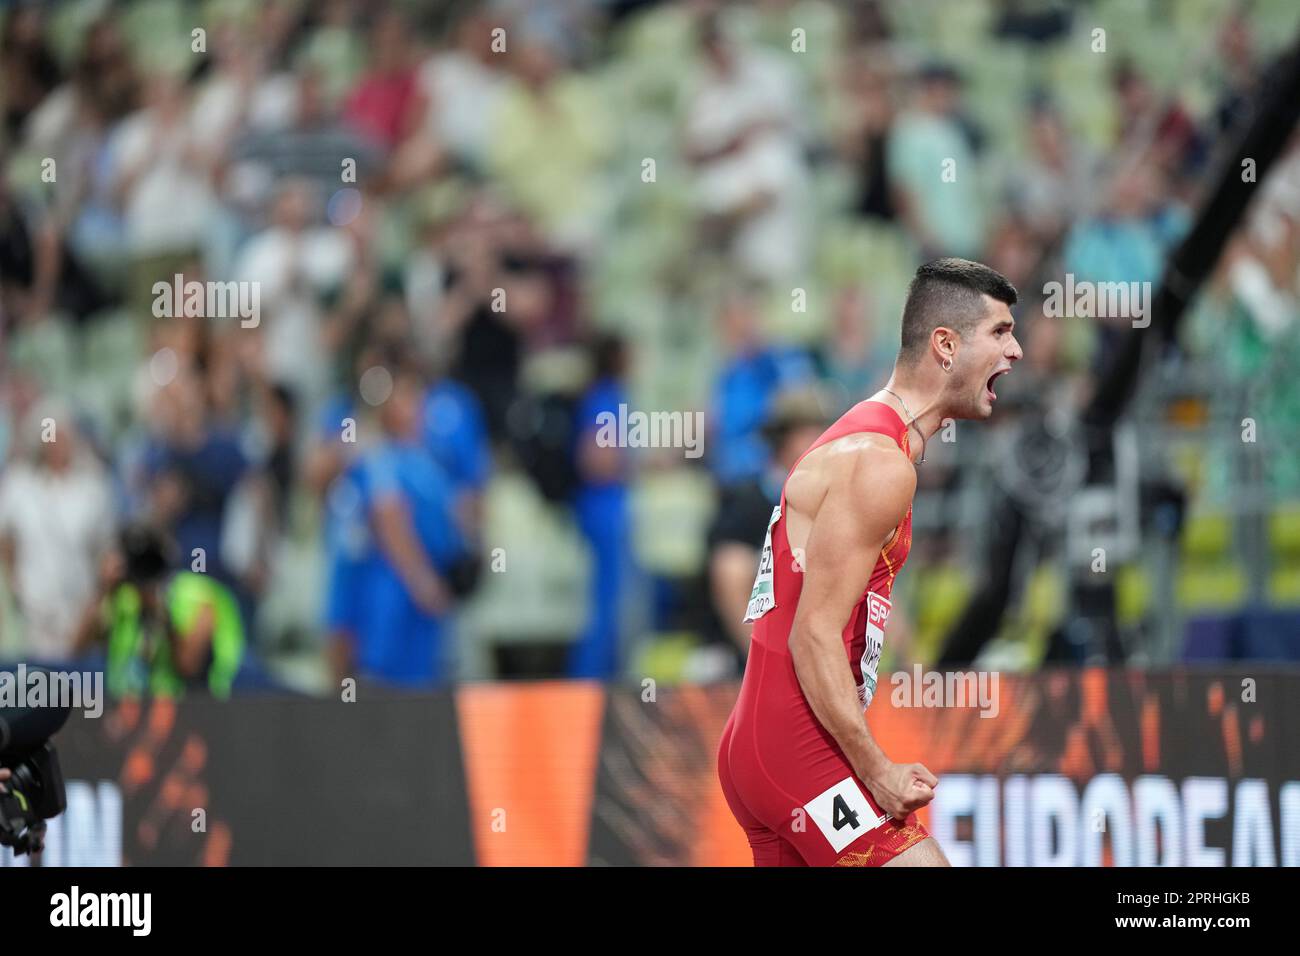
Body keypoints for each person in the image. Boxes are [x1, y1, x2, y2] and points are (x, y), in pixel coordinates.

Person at [717, 258, 1023, 866]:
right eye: (1000, 332)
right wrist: (876, 768)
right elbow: (813, 635)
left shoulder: (868, 439)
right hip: (797, 753)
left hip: (767, 743)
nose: (1015, 351)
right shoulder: (881, 463)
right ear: (944, 344)